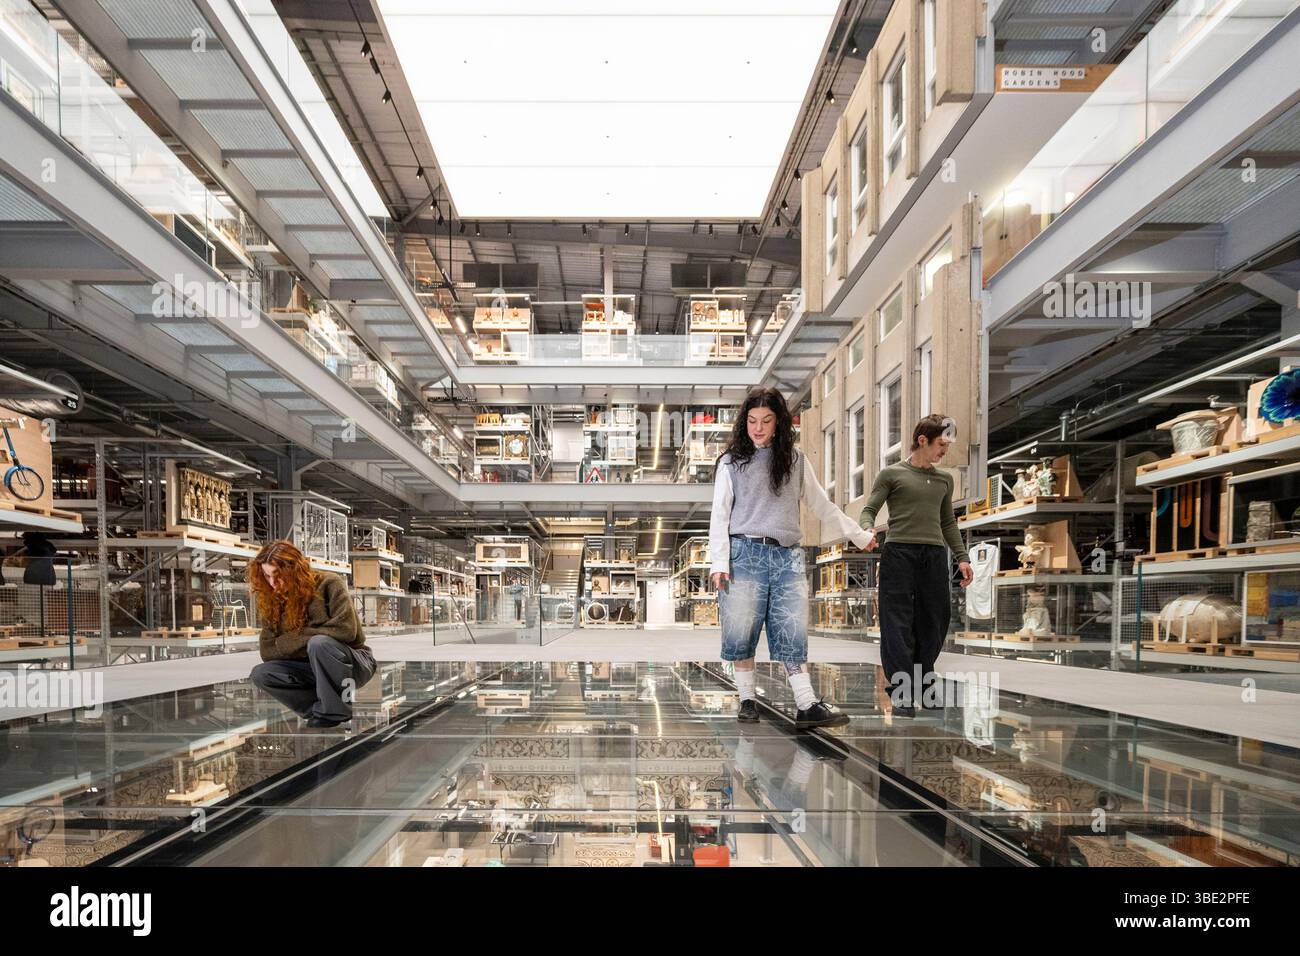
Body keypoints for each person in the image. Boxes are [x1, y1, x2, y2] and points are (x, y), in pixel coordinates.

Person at [709, 387, 874, 729]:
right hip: (744, 554)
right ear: (744, 423)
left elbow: (822, 505)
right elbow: (719, 514)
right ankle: (747, 699)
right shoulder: (730, 462)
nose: (758, 428)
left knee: (792, 628)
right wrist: (719, 563)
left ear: (778, 423)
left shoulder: (796, 462)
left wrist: (859, 535)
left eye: (766, 421)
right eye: (752, 421)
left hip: (788, 556)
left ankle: (806, 703)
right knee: (742, 629)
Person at [859, 414, 972, 717]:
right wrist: (867, 529)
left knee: (935, 621)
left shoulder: (944, 480)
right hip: (899, 554)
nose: (943, 451)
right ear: (922, 440)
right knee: (896, 623)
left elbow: (947, 522)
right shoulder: (892, 474)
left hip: (935, 556)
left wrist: (962, 557)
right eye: (941, 444)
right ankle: (902, 690)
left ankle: (923, 680)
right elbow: (869, 509)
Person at [248, 539, 376, 727]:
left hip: (351, 663)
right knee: (261, 673)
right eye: (267, 576)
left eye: (278, 575)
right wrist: (310, 639)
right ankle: (318, 711)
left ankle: (335, 713)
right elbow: (267, 651)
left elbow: (346, 631)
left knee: (320, 644)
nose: (273, 583)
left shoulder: (329, 583)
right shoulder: (272, 600)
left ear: (294, 570)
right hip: (310, 667)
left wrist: (292, 641)